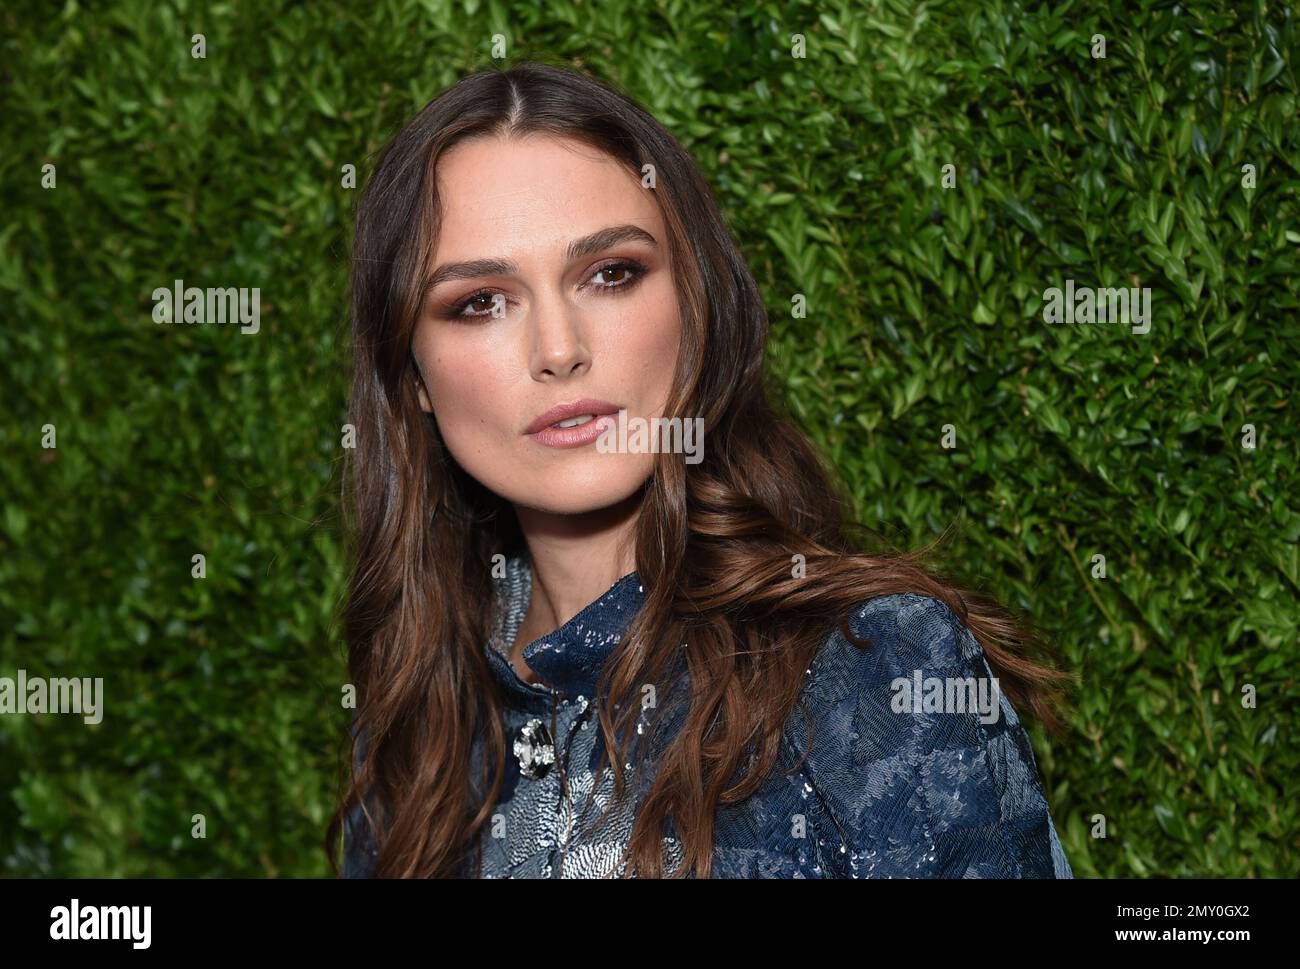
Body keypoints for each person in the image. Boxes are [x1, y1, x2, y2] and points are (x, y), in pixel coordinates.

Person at [329, 61, 1074, 879]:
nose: (558, 349)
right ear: (415, 379)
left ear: (697, 303)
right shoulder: (416, 730)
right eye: (480, 301)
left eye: (611, 273)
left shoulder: (869, 666)